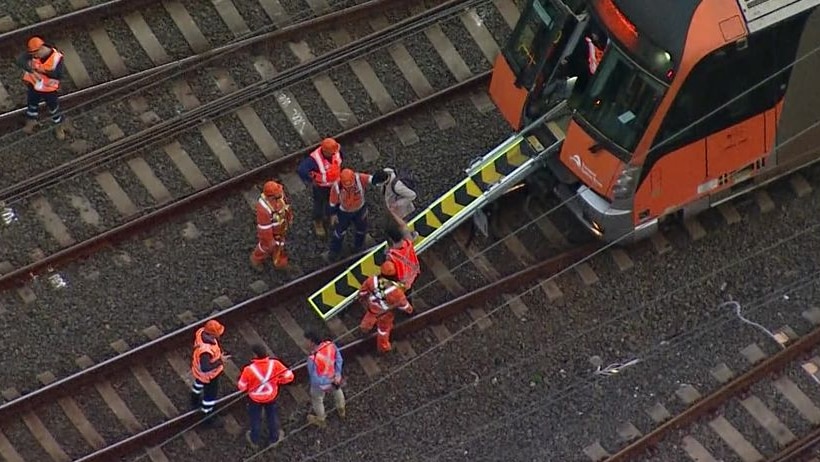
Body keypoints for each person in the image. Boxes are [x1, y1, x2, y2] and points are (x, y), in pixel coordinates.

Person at [237, 344, 294, 447]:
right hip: (271, 396)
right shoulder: (275, 364)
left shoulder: (248, 370)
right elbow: (289, 376)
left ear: (255, 355)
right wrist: (279, 381)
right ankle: (274, 438)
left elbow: (242, 387)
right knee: (272, 416)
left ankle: (254, 439)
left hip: (255, 398)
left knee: (255, 418)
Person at [358, 261, 413, 353]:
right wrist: (409, 310)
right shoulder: (395, 291)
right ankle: (383, 347)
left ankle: (365, 327)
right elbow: (403, 305)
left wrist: (364, 300)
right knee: (383, 330)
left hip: (372, 306)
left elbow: (362, 292)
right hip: (385, 314)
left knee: (370, 315)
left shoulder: (372, 280)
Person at [18, 36, 66, 140]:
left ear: (42, 48)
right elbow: (20, 60)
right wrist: (32, 71)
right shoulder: (33, 54)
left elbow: (59, 75)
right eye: (33, 54)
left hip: (49, 90)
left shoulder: (57, 58)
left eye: (36, 53)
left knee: (54, 109)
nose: (35, 56)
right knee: (32, 106)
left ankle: (59, 127)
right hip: (34, 86)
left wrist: (42, 71)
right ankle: (31, 123)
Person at [297, 137, 343, 238]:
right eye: (331, 152)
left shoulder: (336, 151)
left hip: (335, 185)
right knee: (319, 205)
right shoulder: (314, 160)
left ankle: (332, 215)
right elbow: (301, 170)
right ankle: (318, 222)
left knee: (334, 201)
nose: (333, 154)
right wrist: (311, 180)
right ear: (325, 151)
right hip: (321, 187)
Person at [326, 168, 374, 261]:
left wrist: (380, 178)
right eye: (346, 186)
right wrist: (333, 214)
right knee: (339, 232)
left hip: (360, 210)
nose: (349, 188)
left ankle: (358, 247)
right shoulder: (336, 186)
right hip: (344, 213)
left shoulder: (360, 178)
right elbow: (332, 202)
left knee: (361, 229)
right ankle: (334, 251)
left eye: (350, 185)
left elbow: (371, 179)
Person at [304, 331, 346, 427]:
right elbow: (339, 359)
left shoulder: (312, 359)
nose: (305, 342)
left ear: (311, 342)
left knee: (317, 399)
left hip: (322, 384)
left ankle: (321, 419)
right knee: (337, 390)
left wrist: (328, 381)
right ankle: (341, 409)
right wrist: (337, 374)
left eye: (306, 340)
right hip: (334, 378)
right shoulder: (330, 345)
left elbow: (315, 380)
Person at [250, 180, 293, 271]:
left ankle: (279, 260)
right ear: (270, 197)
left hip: (281, 227)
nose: (280, 195)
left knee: (280, 244)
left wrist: (289, 217)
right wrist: (269, 241)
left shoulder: (280, 195)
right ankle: (256, 258)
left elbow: (286, 206)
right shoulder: (264, 209)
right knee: (265, 246)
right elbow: (264, 228)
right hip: (272, 231)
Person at [190, 320, 228, 418]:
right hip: (209, 376)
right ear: (213, 334)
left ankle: (194, 398)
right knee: (210, 395)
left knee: (198, 383)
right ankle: (207, 415)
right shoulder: (206, 351)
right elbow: (205, 368)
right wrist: (220, 361)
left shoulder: (201, 332)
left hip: (198, 371)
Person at [378, 209, 421, 292]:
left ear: (390, 239)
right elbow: (403, 226)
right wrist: (392, 212)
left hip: (402, 283)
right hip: (413, 275)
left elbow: (389, 274)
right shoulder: (408, 242)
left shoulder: (390, 256)